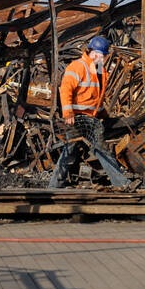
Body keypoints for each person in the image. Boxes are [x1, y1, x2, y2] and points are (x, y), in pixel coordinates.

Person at [49, 35, 130, 189]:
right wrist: (68, 113)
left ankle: (54, 186)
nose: (104, 59)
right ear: (94, 53)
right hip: (77, 118)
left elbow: (96, 97)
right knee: (87, 150)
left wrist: (103, 114)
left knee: (82, 149)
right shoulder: (77, 66)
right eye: (103, 55)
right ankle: (121, 183)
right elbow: (65, 90)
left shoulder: (99, 70)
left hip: (90, 118)